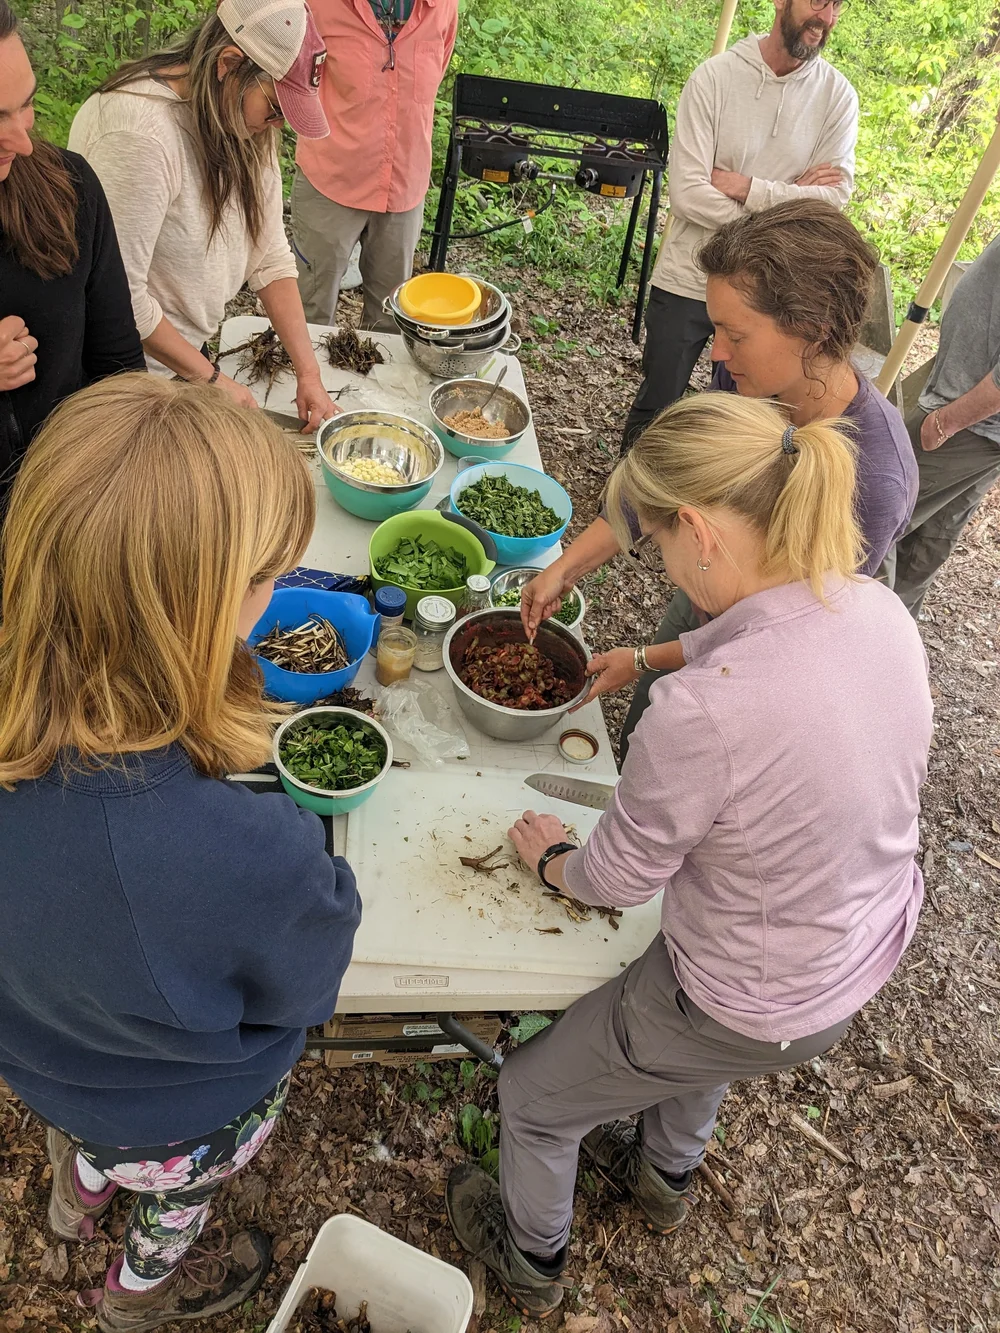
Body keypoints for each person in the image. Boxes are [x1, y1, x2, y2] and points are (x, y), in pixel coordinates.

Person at [446, 393, 932, 1319]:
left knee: (534, 1093)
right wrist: (651, 653)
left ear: (700, 531)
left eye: (660, 542)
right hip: (855, 950)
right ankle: (665, 1178)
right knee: (684, 1050)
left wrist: (552, 858)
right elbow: (766, 642)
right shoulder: (875, 609)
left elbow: (616, 878)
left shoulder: (706, 715)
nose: (660, 558)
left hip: (749, 991)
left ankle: (531, 1261)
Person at [0, 375, 361, 1333]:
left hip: (48, 1066)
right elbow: (307, 984)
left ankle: (73, 1199)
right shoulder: (243, 852)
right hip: (183, 1117)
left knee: (92, 1143)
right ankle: (138, 1290)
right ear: (193, 609)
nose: (277, 591)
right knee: (172, 1196)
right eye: (265, 576)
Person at [522, 200, 917, 759]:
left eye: (735, 334)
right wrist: (565, 568)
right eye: (715, 331)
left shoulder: (875, 477)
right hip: (707, 589)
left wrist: (644, 660)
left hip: (761, 676)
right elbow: (664, 483)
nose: (718, 354)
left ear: (813, 329)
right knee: (646, 739)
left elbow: (785, 638)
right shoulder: (753, 379)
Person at [68, 0, 338, 431]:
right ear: (229, 64)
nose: (278, 125)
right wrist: (210, 379)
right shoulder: (139, 135)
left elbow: (268, 254)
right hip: (125, 379)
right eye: (276, 108)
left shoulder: (239, 119)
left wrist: (309, 373)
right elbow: (120, 297)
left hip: (183, 361)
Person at [623, 0, 858, 451]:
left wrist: (746, 187)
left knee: (743, 420)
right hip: (688, 277)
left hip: (772, 291)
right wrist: (790, 197)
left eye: (836, 6)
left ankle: (702, 514)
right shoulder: (714, 78)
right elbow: (689, 195)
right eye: (816, 2)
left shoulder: (837, 98)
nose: (825, 18)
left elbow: (833, 202)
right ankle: (623, 507)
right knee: (658, 404)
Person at [0, 1, 144, 508]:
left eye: (26, 104)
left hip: (69, 501)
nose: (22, 141)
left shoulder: (70, 187)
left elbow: (120, 367)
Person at [292, 0, 459, 330]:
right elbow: (297, 81)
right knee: (308, 312)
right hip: (330, 181)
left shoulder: (443, 7)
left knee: (391, 322)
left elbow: (437, 70)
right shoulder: (318, 6)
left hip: (403, 190)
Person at [887, 236, 1000, 616]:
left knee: (881, 512)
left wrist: (945, 422)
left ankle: (857, 636)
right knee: (931, 533)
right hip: (973, 420)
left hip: (967, 420)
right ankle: (889, 639)